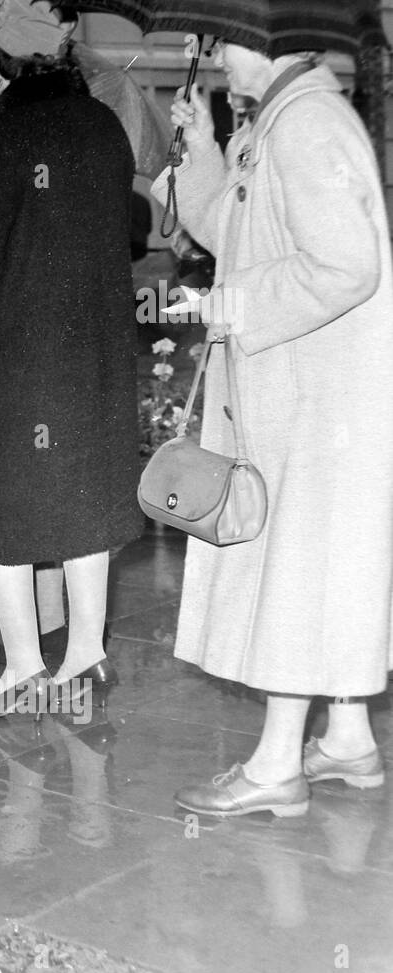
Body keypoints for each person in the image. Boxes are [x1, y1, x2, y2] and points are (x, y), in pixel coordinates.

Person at [159, 40, 392, 816]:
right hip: (299, 391)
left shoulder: (306, 125)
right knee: (316, 564)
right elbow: (236, 232)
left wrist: (239, 305)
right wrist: (200, 153)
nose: (210, 55)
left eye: (220, 42)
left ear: (266, 45)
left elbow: (348, 264)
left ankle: (275, 766)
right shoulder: (279, 120)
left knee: (294, 569)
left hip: (316, 398)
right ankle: (349, 739)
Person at [0, 0, 142, 718]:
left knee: (2, 510)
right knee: (81, 498)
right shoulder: (103, 127)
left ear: (3, 65)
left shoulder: (6, 136)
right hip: (91, 348)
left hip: (16, 356)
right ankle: (85, 653)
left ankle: (25, 664)